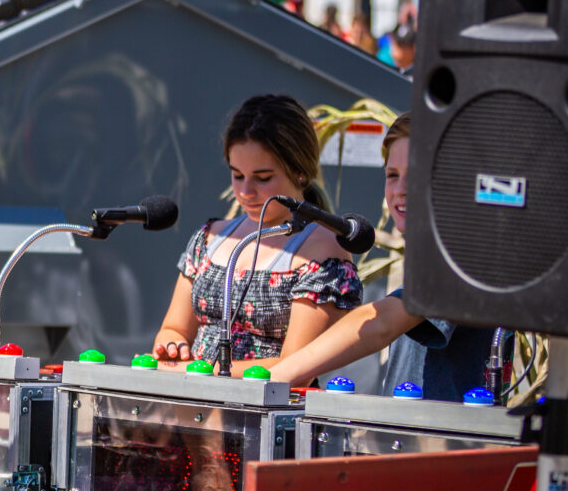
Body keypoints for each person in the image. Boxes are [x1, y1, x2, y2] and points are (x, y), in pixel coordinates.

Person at [268, 113, 497, 399]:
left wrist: (278, 376)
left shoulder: (463, 256)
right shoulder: (433, 253)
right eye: (392, 175)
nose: (400, 190)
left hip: (448, 439)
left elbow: (381, 322)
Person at [152, 94, 362, 373]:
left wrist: (202, 371)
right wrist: (171, 344)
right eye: (237, 175)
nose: (245, 191)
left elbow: (295, 366)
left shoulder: (323, 249)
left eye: (263, 178)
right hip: (194, 408)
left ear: (300, 171)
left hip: (265, 412)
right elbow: (173, 328)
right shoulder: (210, 238)